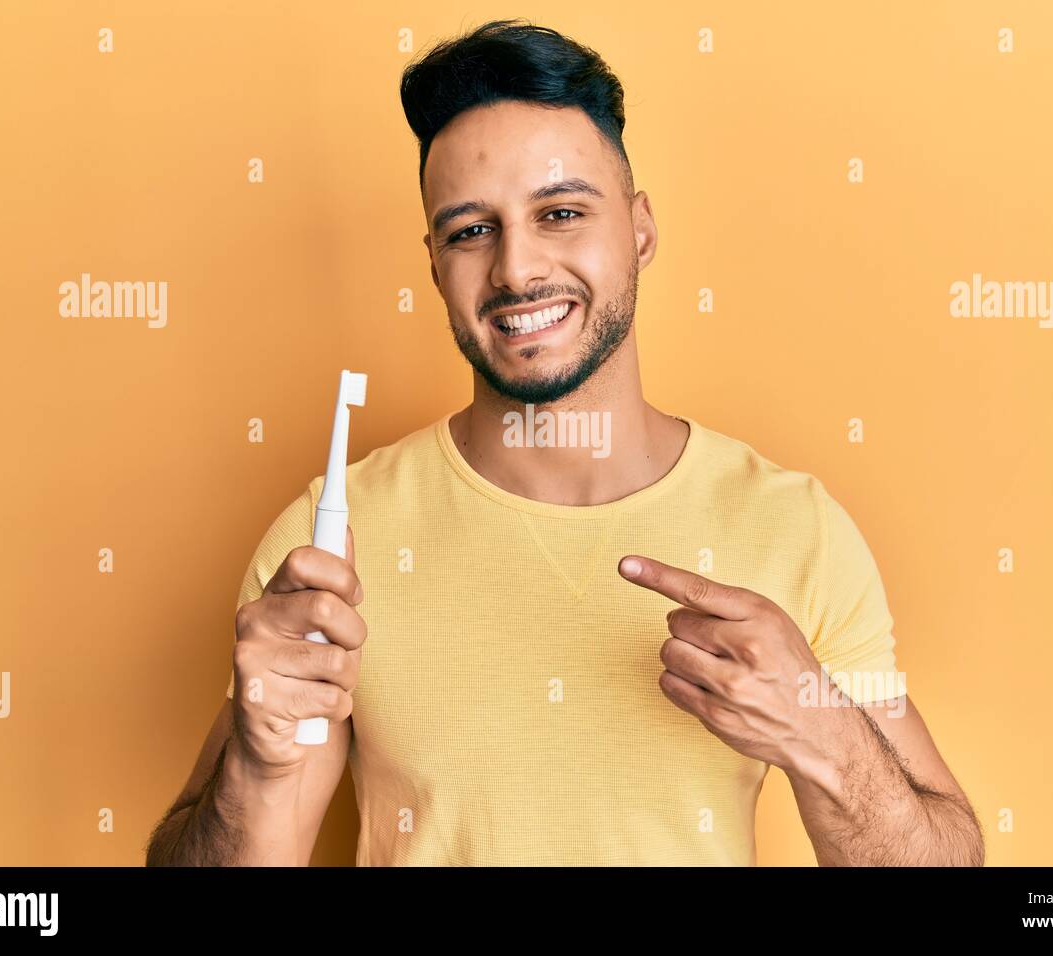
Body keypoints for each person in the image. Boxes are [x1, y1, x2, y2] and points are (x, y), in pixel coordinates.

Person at [146, 18, 983, 867]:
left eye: (561, 212)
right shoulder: (328, 550)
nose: (515, 270)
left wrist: (823, 733)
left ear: (641, 230)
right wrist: (256, 767)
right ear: (435, 265)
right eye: (471, 230)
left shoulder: (795, 529)